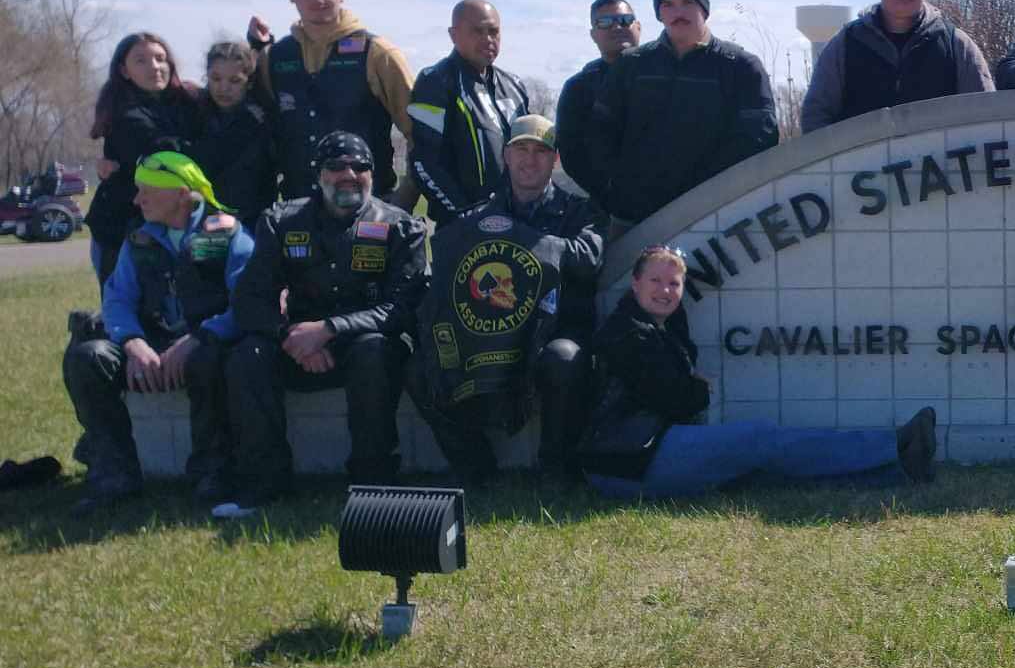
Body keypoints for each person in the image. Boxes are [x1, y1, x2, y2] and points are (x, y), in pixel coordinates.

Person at [581, 246, 939, 500]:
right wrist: (700, 390)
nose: (665, 291)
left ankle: (895, 467)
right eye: (656, 281)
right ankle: (895, 446)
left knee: (762, 460)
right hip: (626, 464)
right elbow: (676, 400)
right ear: (635, 284)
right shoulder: (627, 333)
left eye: (674, 284)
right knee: (758, 438)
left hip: (643, 453)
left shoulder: (660, 327)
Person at [215, 130, 427, 516]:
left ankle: (373, 484)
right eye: (336, 167)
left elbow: (404, 309)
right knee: (248, 355)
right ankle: (264, 485)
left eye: (359, 167)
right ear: (318, 175)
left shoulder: (400, 227)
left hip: (366, 345)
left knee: (374, 349)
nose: (349, 174)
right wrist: (290, 337)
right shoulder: (281, 221)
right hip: (298, 344)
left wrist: (328, 329)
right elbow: (250, 298)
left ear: (373, 173)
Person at [408, 115, 608, 481]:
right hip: (486, 336)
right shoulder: (476, 217)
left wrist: (524, 239)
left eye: (541, 151)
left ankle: (556, 469)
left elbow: (587, 258)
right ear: (505, 155)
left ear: (555, 160)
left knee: (566, 358)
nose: (530, 160)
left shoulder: (581, 212)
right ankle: (474, 467)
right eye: (521, 150)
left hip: (550, 333)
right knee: (421, 368)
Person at [63, 153, 253, 512]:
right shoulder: (139, 240)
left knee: (209, 359)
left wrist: (200, 337)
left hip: (205, 343)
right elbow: (116, 299)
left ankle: (213, 472)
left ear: (181, 194)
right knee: (88, 358)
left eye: (147, 191)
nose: (137, 200)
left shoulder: (228, 235)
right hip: (149, 345)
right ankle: (114, 473)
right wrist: (131, 342)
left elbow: (247, 302)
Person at [584, 0, 778, 231]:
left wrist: (706, 189)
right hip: (635, 219)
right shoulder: (632, 66)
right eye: (668, 4)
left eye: (687, 2)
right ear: (658, 12)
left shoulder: (741, 67)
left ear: (704, 8)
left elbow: (759, 141)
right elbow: (600, 136)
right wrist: (618, 191)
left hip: (717, 218)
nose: (678, 12)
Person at [248, 0, 416, 201]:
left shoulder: (379, 53)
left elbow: (422, 135)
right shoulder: (274, 57)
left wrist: (405, 197)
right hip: (298, 212)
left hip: (369, 209)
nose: (318, 0)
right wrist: (252, 50)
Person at [800, 0, 995, 132]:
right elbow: (816, 118)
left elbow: (985, 114)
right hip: (866, 167)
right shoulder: (844, 45)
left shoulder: (957, 45)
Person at [83, 32, 204, 285]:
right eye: (141, 61)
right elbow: (168, 154)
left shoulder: (183, 105)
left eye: (160, 58)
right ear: (124, 71)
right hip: (119, 227)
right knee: (126, 306)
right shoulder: (125, 114)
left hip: (164, 221)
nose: (155, 67)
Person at [408, 0, 532, 225]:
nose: (488, 39)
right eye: (477, 31)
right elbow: (423, 161)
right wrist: (464, 215)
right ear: (453, 35)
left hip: (517, 221)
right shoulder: (434, 81)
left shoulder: (514, 85)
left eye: (493, 31)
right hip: (461, 225)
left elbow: (531, 153)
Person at [554, 0, 639, 191]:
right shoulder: (577, 89)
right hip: (610, 209)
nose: (617, 27)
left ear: (638, 27)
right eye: (605, 22)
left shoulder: (664, 74)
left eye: (625, 20)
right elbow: (572, 157)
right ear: (593, 35)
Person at [191, 40, 279, 221]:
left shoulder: (262, 120)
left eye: (235, 80)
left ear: (248, 82)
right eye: (216, 78)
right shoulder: (192, 114)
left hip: (252, 220)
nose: (224, 88)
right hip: (201, 219)